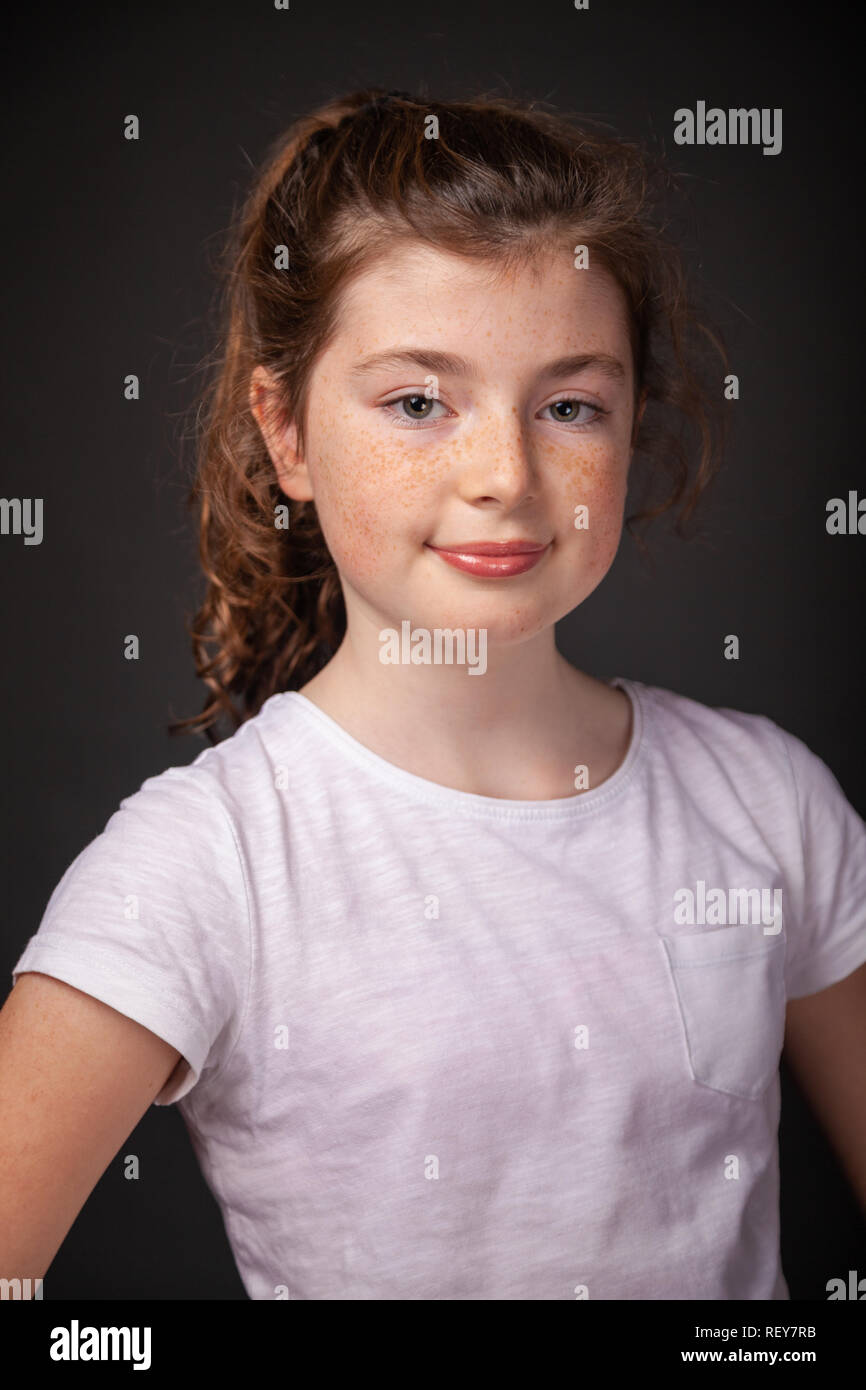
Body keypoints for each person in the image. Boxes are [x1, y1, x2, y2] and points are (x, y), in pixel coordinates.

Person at [1, 88, 864, 1301]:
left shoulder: (765, 801)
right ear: (286, 432)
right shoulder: (210, 865)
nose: (503, 476)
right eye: (418, 402)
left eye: (567, 406)